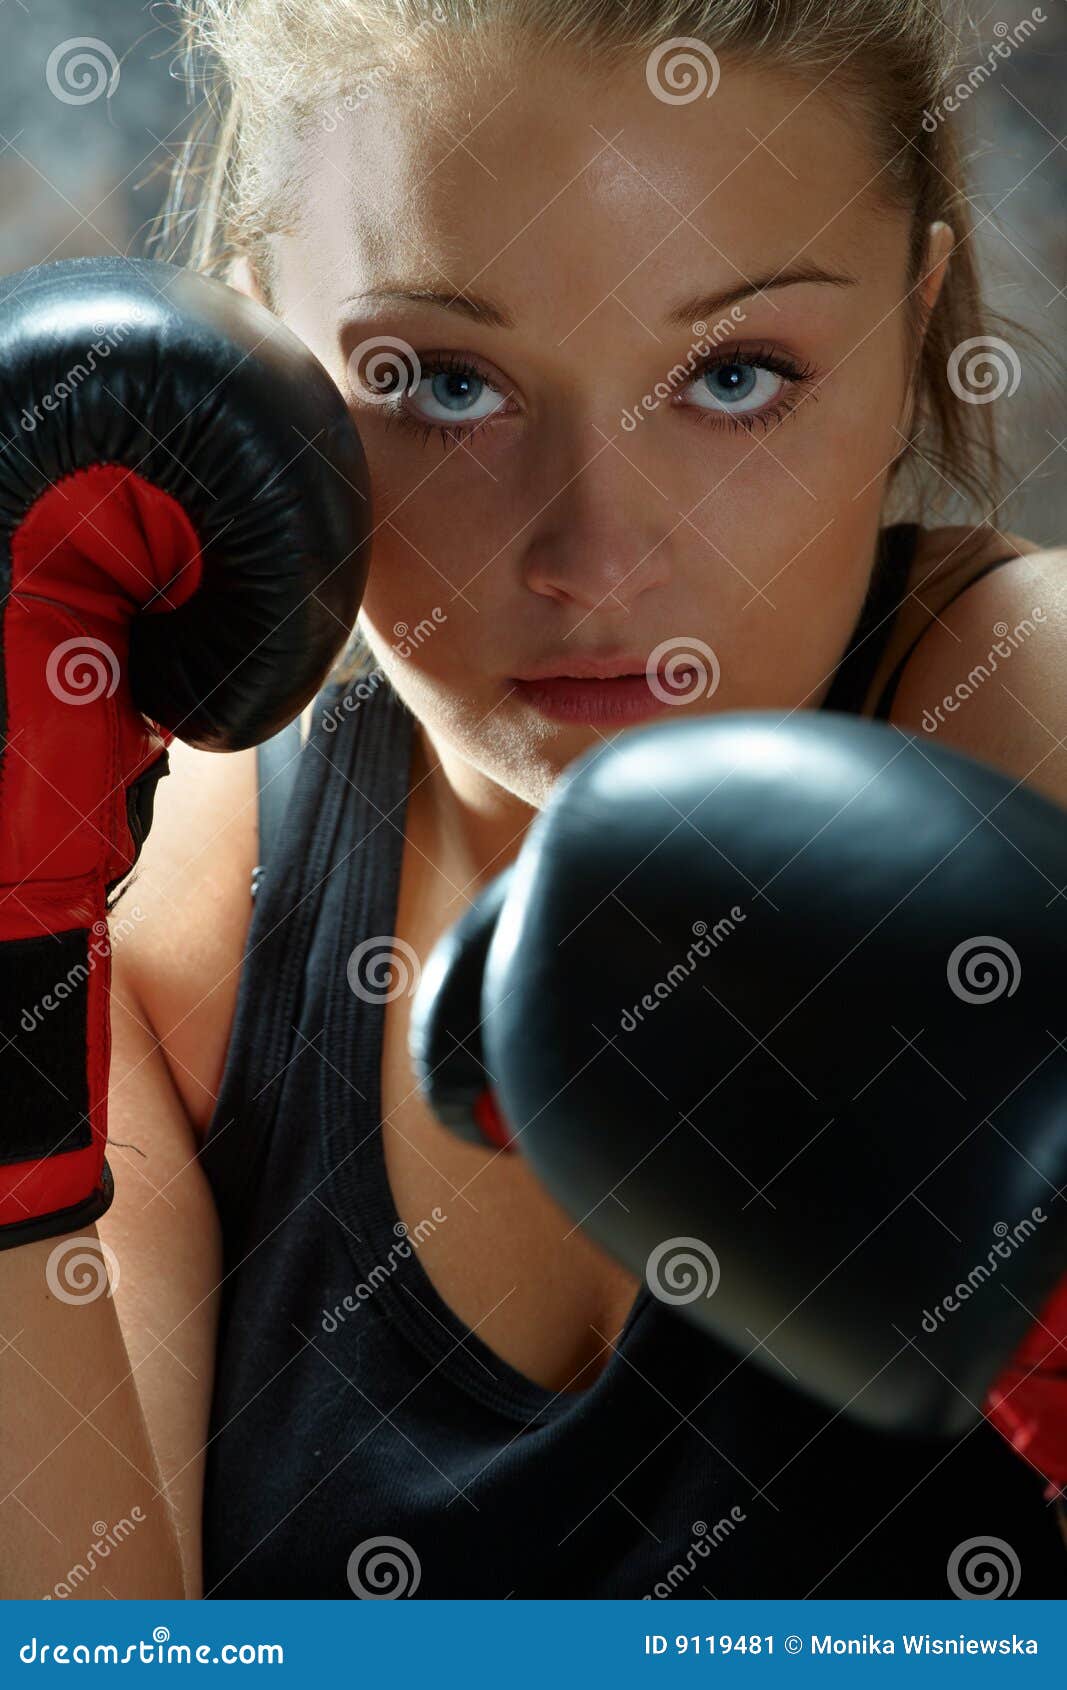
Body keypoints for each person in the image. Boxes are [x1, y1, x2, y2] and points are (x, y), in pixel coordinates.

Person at [8, 0, 1065, 1599]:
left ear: (915, 330)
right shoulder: (174, 918)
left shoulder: (1024, 721)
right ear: (267, 349)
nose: (595, 557)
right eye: (445, 383)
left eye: (735, 375)